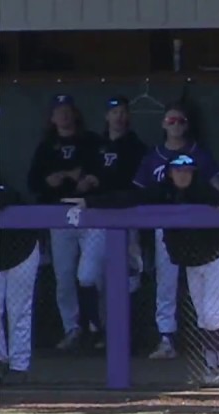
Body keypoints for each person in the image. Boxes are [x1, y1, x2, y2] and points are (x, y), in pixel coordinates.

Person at [66, 155, 219, 387]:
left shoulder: (204, 191)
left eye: (188, 170)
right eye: (178, 170)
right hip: (193, 261)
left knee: (213, 315)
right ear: (170, 173)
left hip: (218, 256)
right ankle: (213, 369)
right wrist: (90, 202)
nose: (183, 175)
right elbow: (129, 198)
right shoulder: (163, 191)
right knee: (203, 317)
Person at [133, 101, 219, 362]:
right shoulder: (153, 156)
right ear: (163, 124)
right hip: (168, 229)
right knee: (166, 283)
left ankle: (213, 356)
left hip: (200, 234)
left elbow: (218, 189)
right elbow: (139, 194)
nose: (175, 125)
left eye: (180, 121)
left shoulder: (200, 154)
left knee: (206, 300)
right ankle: (166, 338)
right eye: (170, 120)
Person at [25, 93, 101, 352]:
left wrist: (88, 179)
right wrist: (49, 181)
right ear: (52, 116)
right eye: (59, 111)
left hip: (90, 213)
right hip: (58, 215)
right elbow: (33, 183)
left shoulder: (90, 141)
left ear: (75, 113)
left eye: (68, 109)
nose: (64, 115)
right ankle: (72, 328)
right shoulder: (46, 146)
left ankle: (99, 326)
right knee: (64, 276)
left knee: (92, 274)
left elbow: (102, 172)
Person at [76, 96, 149, 349]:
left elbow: (135, 184)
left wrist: (103, 183)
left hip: (126, 216)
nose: (119, 116)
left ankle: (129, 335)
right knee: (86, 276)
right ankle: (96, 329)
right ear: (106, 116)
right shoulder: (95, 146)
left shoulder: (136, 146)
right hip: (97, 218)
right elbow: (82, 176)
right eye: (114, 112)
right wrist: (86, 181)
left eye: (123, 112)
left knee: (130, 277)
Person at [0, 179, 39, 386]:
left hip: (21, 252)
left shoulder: (5, 188)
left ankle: (19, 366)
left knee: (18, 311)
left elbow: (6, 197)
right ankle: (0, 360)